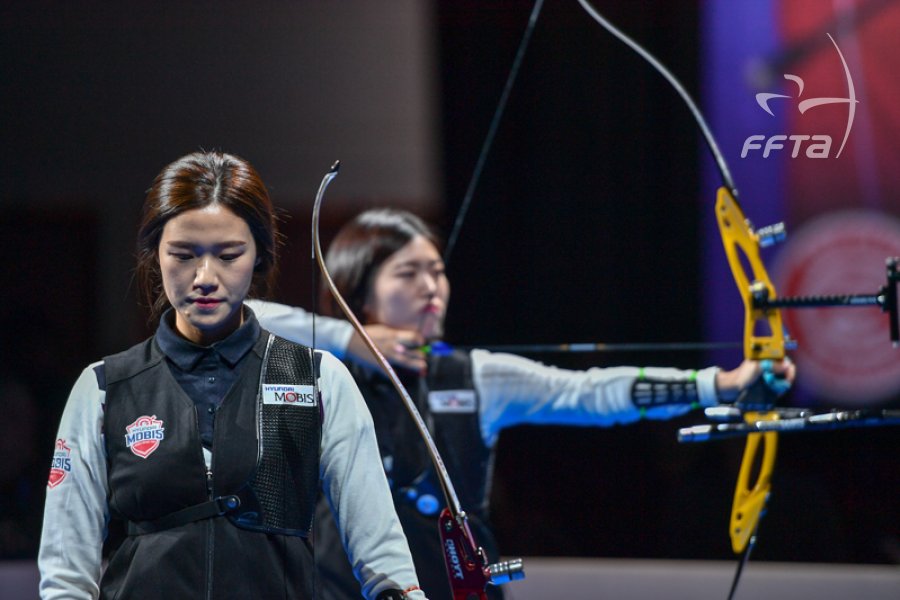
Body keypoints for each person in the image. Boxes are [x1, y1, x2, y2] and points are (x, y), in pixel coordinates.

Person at [249, 207, 795, 600]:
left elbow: (589, 393)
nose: (431, 287)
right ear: (358, 291)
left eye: (437, 271)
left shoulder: (475, 374)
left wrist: (722, 385)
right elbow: (240, 313)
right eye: (408, 273)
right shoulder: (315, 370)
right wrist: (351, 340)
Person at [38, 153, 428, 600]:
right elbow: (66, 576)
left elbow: (383, 561)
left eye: (228, 255)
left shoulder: (320, 381)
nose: (205, 277)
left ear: (259, 255)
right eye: (183, 255)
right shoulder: (105, 388)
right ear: (155, 256)